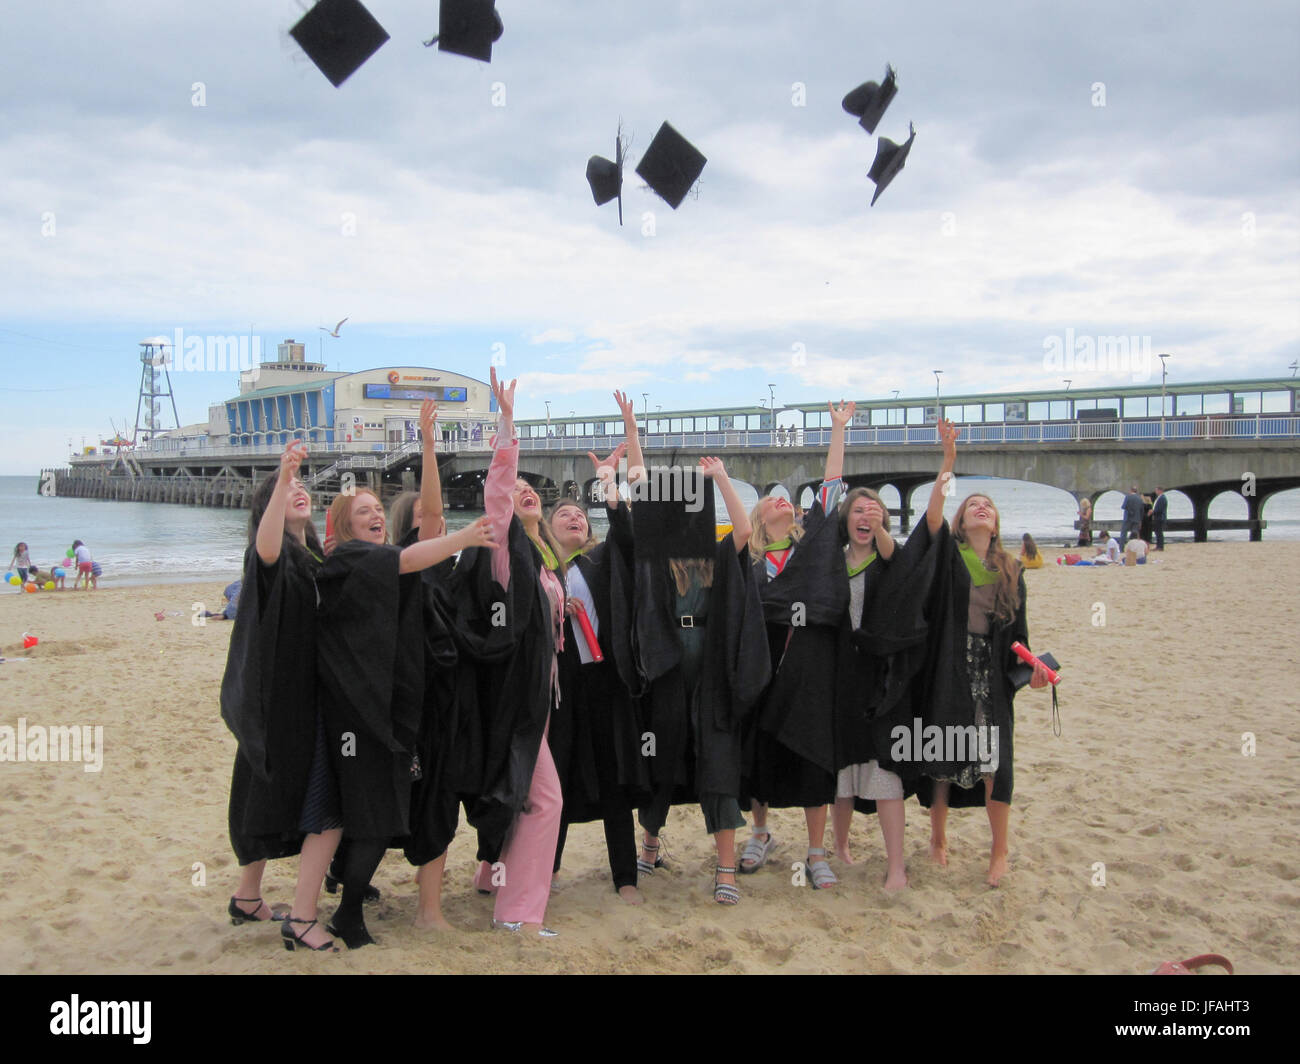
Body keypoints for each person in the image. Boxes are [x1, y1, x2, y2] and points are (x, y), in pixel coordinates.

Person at [315, 483, 495, 948]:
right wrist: (466, 537)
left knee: (377, 814)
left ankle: (346, 895)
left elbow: (423, 533)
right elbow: (413, 556)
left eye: (379, 509)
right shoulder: (351, 559)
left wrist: (431, 446)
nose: (375, 515)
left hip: (385, 713)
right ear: (343, 526)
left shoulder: (369, 560)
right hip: (364, 716)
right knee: (379, 817)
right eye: (363, 512)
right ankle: (348, 914)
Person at [451, 368, 567, 937]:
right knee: (544, 800)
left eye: (532, 492)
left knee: (524, 794)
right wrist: (507, 427)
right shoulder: (506, 551)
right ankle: (517, 911)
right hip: (515, 702)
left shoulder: (545, 560)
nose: (526, 492)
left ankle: (493, 880)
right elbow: (498, 493)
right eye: (519, 490)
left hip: (539, 701)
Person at [631, 438, 769, 906]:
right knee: (662, 754)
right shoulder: (657, 554)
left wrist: (722, 477)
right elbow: (641, 497)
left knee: (718, 758)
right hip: (670, 665)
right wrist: (634, 436)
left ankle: (725, 869)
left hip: (711, 668)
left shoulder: (715, 553)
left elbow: (747, 529)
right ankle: (649, 846)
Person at [832, 422, 959, 890]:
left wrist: (946, 464)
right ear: (845, 520)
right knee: (843, 769)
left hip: (888, 679)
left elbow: (931, 522)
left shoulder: (896, 560)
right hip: (843, 676)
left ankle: (897, 868)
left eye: (875, 511)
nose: (866, 516)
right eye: (857, 511)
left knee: (886, 768)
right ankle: (840, 847)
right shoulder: (830, 561)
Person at [220, 441, 334, 949]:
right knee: (275, 787)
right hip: (276, 695)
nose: (300, 492)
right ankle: (270, 901)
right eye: (289, 492)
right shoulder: (272, 553)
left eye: (304, 488)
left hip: (302, 691)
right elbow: (265, 551)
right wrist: (284, 473)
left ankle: (248, 897)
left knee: (268, 788)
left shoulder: (312, 552)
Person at [741, 400, 857, 889]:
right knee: (760, 749)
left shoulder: (813, 547)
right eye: (772, 499)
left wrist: (837, 429)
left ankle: (816, 850)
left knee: (812, 753)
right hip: (763, 665)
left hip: (809, 662)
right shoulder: (749, 567)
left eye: (787, 498)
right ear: (758, 517)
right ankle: (760, 833)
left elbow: (831, 488)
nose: (782, 499)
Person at [916, 487, 1052, 887]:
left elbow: (1019, 636)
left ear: (995, 526)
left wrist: (1035, 670)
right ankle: (938, 840)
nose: (982, 508)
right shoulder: (946, 560)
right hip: (948, 667)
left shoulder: (1010, 568)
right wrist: (948, 463)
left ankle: (999, 850)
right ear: (960, 522)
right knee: (942, 755)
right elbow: (932, 521)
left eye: (988, 506)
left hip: (990, 673)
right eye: (973, 505)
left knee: (996, 763)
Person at [546, 431, 647, 906]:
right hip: (559, 688)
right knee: (556, 780)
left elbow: (628, 534)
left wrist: (609, 481)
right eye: (564, 514)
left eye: (580, 516)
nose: (574, 519)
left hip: (604, 681)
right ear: (549, 530)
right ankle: (546, 870)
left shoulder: (601, 559)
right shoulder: (541, 571)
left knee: (613, 778)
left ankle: (625, 875)